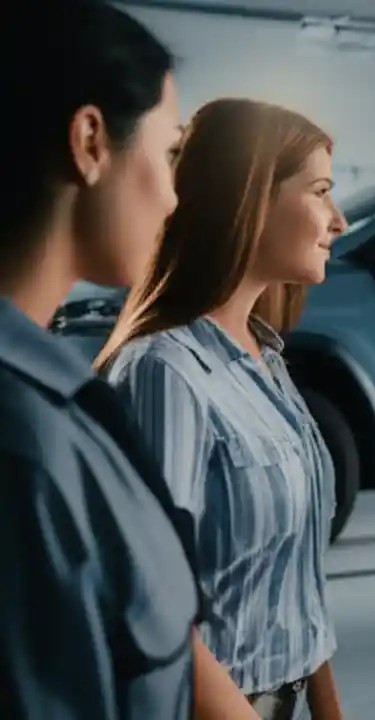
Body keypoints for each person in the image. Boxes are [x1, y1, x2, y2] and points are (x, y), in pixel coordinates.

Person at [0, 2, 263, 718]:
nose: (176, 196)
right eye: (169, 150)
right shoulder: (26, 440)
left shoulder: (57, 403)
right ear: (90, 142)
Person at [96, 98, 349, 720]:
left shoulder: (265, 359)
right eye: (320, 191)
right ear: (250, 198)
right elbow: (152, 604)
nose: (338, 220)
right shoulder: (164, 373)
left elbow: (296, 590)